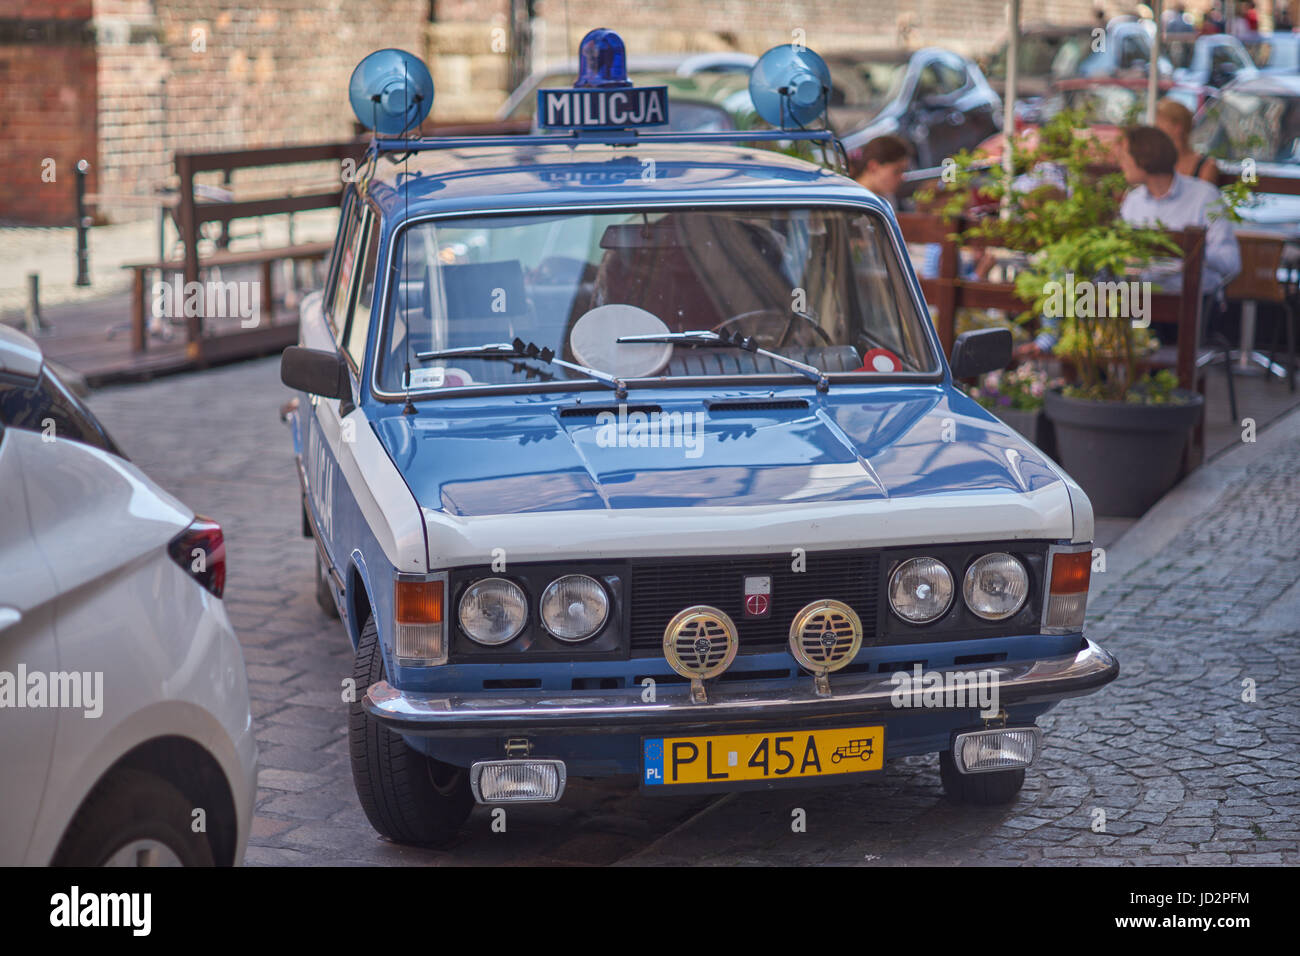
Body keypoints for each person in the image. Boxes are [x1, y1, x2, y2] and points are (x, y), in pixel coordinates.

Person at [1018, 126, 1240, 358]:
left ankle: (1073, 357)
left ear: (1143, 158)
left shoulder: (1205, 197)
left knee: (1101, 307)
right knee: (1071, 278)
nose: (1120, 162)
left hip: (1189, 304)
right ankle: (1070, 356)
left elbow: (1231, 263)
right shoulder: (1133, 200)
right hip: (1136, 301)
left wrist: (1187, 255)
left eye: (1124, 156)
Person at [1155, 98, 1217, 184]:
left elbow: (1204, 195)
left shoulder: (1206, 166)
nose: (1155, 131)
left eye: (1159, 124)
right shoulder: (1156, 163)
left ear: (1178, 127)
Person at [850, 134, 910, 210]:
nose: (902, 177)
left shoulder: (886, 197)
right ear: (873, 167)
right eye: (896, 171)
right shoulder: (853, 202)